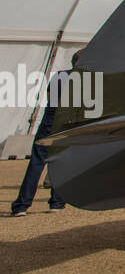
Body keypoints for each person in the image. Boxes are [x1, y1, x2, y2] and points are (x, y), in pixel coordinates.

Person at [10, 55, 80, 216]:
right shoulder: (84, 79)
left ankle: (22, 205)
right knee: (61, 164)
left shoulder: (59, 76)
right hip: (66, 125)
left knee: (36, 163)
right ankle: (57, 202)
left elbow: (50, 98)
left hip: (49, 123)